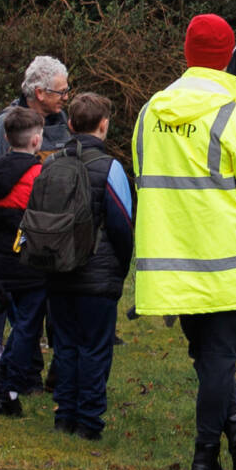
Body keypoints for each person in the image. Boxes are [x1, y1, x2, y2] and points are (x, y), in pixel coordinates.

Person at [132, 14, 236, 470]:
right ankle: (202, 460)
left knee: (207, 359)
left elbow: (143, 175)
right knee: (218, 360)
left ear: (186, 52)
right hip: (222, 260)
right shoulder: (233, 116)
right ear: (229, 55)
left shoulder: (150, 112)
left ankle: (235, 439)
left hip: (168, 260)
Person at [38, 93, 136, 439]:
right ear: (104, 125)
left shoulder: (49, 163)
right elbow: (122, 222)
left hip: (57, 269)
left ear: (69, 125)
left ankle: (64, 415)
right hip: (98, 273)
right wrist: (120, 268)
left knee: (64, 346)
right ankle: (90, 421)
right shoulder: (110, 168)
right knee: (95, 348)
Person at [0, 106, 50, 410]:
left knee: (20, 323)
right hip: (30, 262)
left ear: (7, 139)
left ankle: (14, 375)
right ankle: (8, 382)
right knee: (28, 326)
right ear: (36, 141)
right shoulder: (39, 175)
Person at [0, 56, 73, 161]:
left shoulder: (61, 119)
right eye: (61, 92)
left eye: (67, 91)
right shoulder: (6, 124)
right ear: (40, 93)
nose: (66, 98)